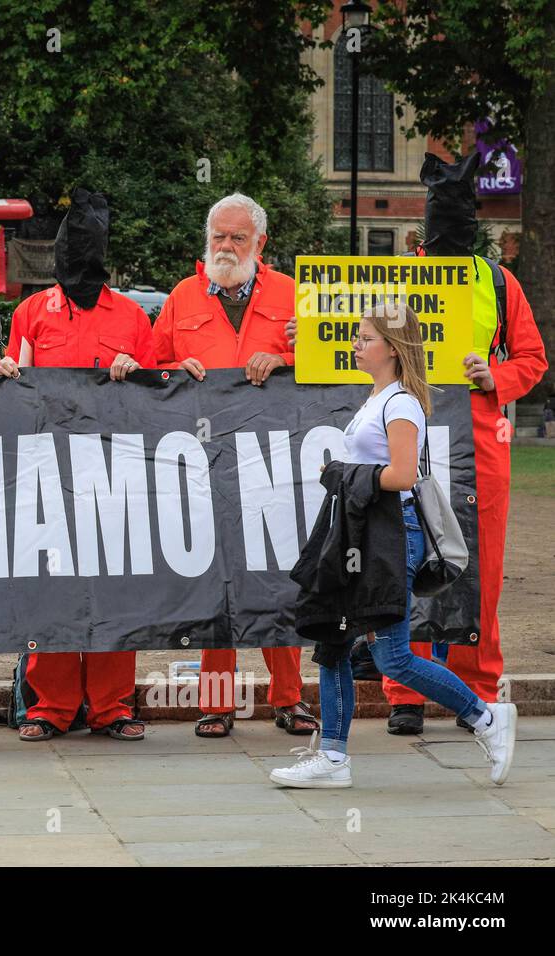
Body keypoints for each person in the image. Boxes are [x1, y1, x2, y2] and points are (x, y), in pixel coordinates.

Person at [272, 303, 517, 788]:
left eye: (365, 338)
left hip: (390, 536)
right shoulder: (379, 397)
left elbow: (403, 476)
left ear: (391, 346)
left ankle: (487, 718)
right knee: (335, 643)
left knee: (392, 658)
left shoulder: (400, 403)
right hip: (363, 534)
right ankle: (335, 759)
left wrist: (342, 475)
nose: (356, 345)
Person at [377, 154, 548, 735]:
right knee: (407, 563)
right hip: (409, 441)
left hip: (481, 446)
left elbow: (532, 359)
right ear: (423, 232)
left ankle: (475, 687)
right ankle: (405, 691)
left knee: (483, 570)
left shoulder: (498, 281)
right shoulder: (395, 279)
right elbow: (351, 346)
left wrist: (495, 377)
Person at [151, 192, 316, 739]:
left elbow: (337, 371)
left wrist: (294, 355)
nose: (225, 246)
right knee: (216, 586)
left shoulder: (294, 295)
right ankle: (217, 704)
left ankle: (288, 701)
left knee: (278, 582)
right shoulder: (181, 296)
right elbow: (154, 367)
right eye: (218, 236)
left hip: (277, 467)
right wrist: (178, 364)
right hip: (205, 465)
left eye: (237, 237)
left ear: (259, 243)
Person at [0, 189, 154, 742]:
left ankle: (112, 706)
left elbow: (157, 393)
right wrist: (8, 370)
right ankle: (50, 707)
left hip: (115, 473)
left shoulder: (134, 317)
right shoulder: (31, 313)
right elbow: (12, 376)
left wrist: (136, 370)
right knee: (53, 587)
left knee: (113, 586)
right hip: (49, 474)